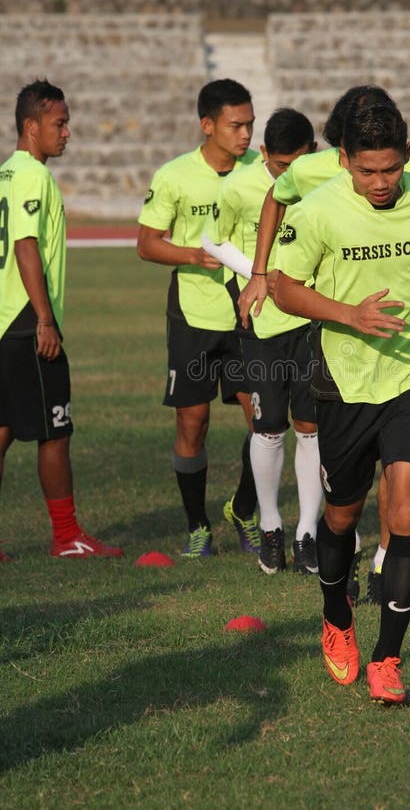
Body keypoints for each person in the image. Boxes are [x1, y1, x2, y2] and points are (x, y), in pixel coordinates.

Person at [237, 84, 410, 602]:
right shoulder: (312, 178)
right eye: (365, 169)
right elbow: (274, 205)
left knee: (402, 480)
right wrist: (261, 272)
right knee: (332, 475)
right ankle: (322, 549)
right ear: (343, 149)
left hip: (406, 354)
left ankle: (383, 566)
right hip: (332, 335)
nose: (378, 181)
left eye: (388, 169)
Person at [0, 79, 123, 560]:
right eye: (59, 123)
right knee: (55, 429)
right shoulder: (33, 176)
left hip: (3, 319)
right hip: (28, 320)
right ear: (31, 127)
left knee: (4, 427)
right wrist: (46, 319)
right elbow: (25, 245)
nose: (67, 132)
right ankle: (66, 535)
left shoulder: (5, 173)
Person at [137, 79, 259, 558]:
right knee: (193, 423)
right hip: (192, 314)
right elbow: (147, 243)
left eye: (250, 123)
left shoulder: (260, 173)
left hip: (247, 315)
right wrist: (193, 254)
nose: (246, 133)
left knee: (264, 420)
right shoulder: (174, 176)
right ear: (207, 125)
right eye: (236, 125)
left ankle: (245, 510)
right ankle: (198, 527)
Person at [202, 108, 323, 574]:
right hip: (262, 325)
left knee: (311, 427)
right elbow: (212, 241)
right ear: (264, 154)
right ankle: (270, 526)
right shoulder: (238, 187)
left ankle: (306, 533)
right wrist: (257, 276)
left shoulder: (325, 181)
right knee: (269, 426)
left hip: (311, 321)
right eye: (280, 166)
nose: (289, 176)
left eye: (299, 164)